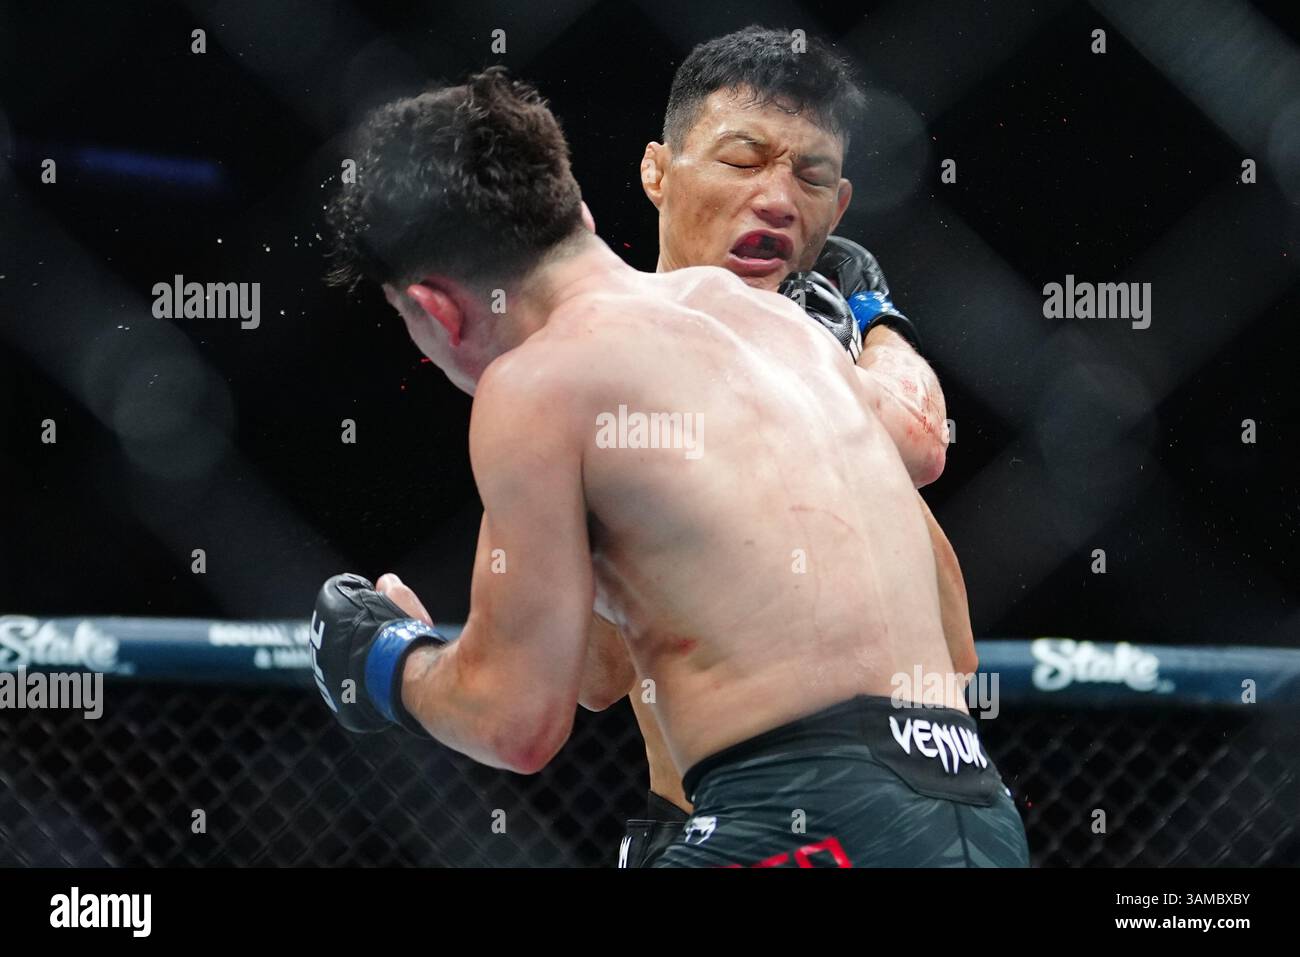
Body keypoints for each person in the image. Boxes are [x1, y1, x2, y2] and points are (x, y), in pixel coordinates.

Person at [315, 66, 1028, 867]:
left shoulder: (538, 384)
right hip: (979, 812)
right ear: (579, 212)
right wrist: (875, 319)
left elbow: (514, 720)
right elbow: (592, 666)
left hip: (795, 819)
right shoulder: (779, 325)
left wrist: (380, 658)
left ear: (437, 310)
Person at [610, 25, 992, 865]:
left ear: (841, 206)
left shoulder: (830, 374)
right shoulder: (598, 366)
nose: (778, 199)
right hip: (720, 815)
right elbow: (597, 675)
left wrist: (866, 329)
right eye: (742, 160)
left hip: (876, 809)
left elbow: (955, 648)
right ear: (656, 171)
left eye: (811, 174)